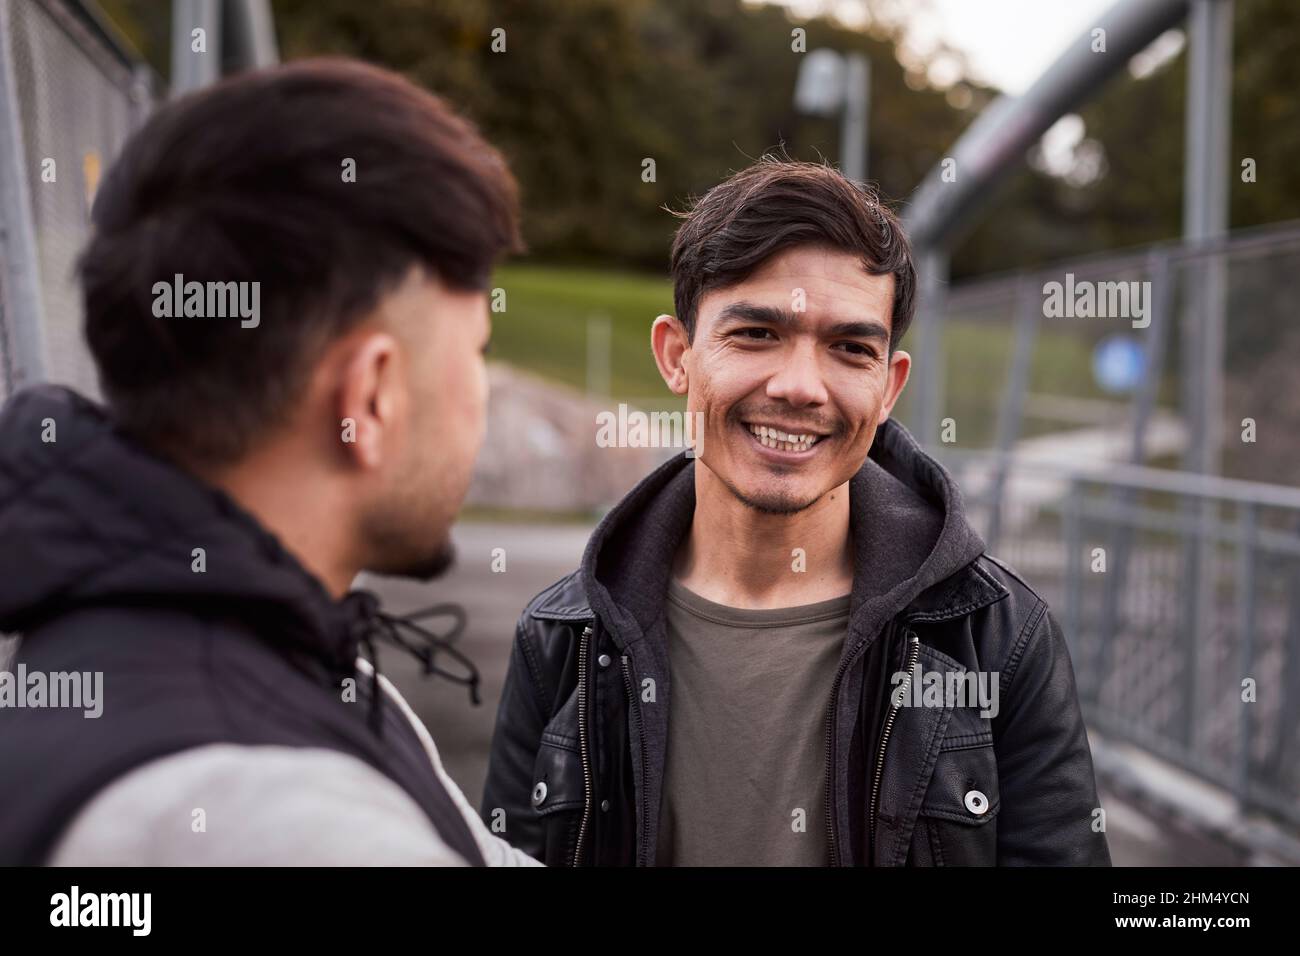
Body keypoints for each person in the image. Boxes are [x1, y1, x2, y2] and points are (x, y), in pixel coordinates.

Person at [481, 156, 1111, 866]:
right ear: (677, 355)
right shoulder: (562, 640)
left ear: (888, 388)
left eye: (849, 348)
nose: (801, 387)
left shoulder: (999, 640)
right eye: (756, 334)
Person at [0, 58, 539, 866]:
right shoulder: (265, 815)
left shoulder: (236, 663)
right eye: (476, 353)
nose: (478, 405)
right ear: (371, 396)